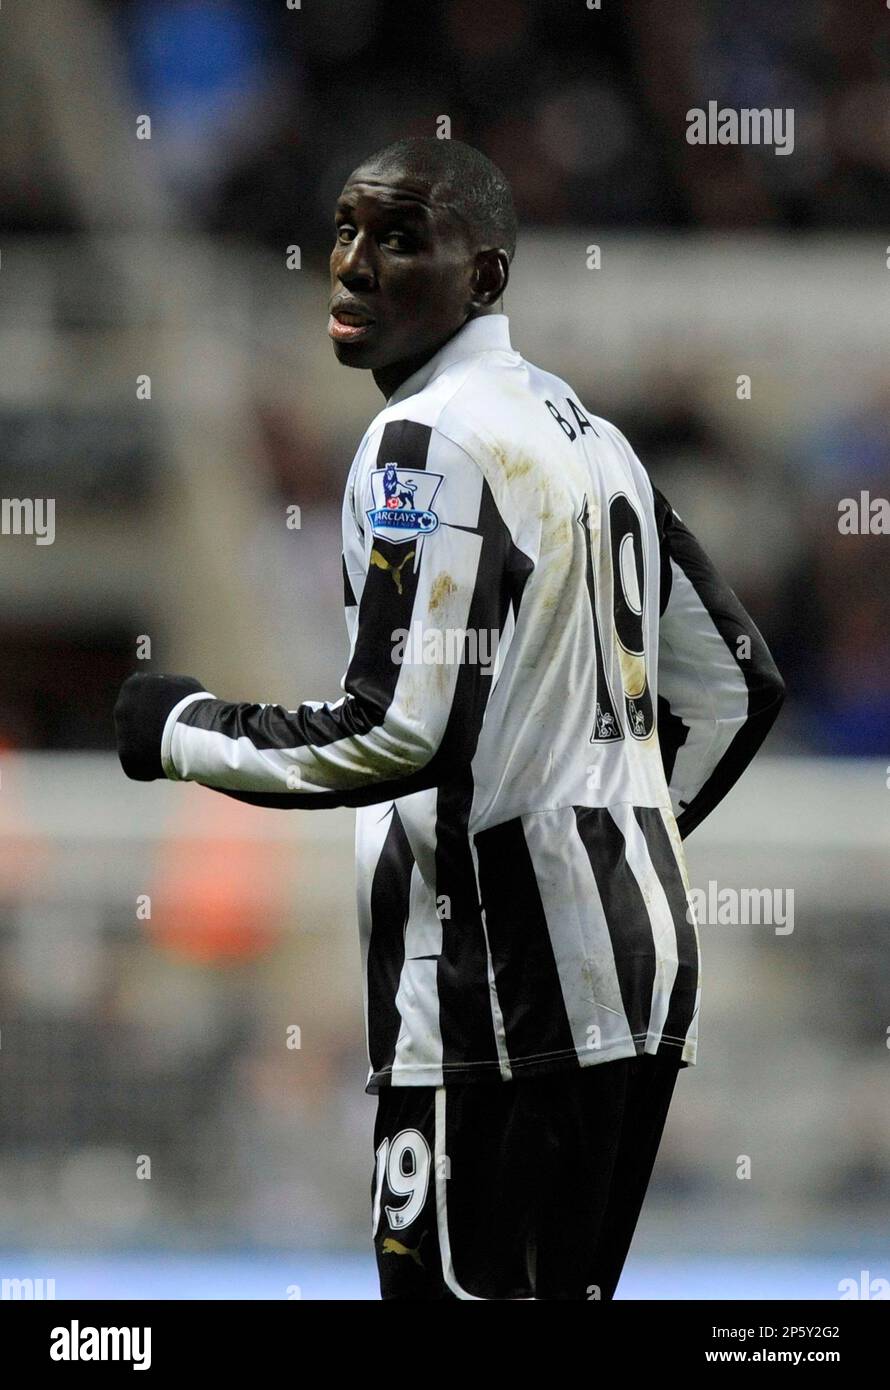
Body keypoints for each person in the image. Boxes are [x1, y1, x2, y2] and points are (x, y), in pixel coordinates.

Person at [114, 136, 784, 1300]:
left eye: (401, 237)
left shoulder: (423, 441)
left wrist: (180, 729)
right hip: (635, 967)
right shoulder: (590, 436)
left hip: (494, 984)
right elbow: (735, 685)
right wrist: (614, 836)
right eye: (344, 230)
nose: (354, 264)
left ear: (484, 277)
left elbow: (396, 731)